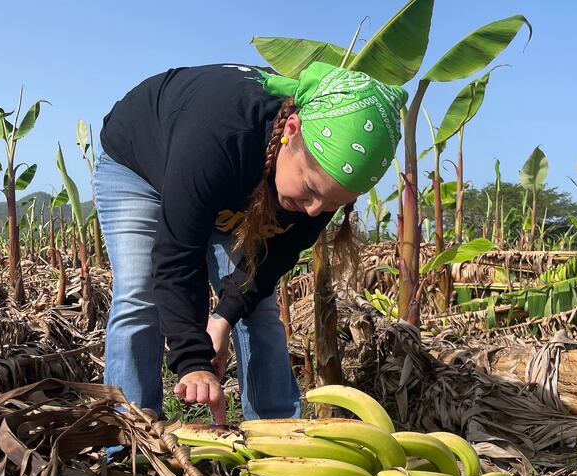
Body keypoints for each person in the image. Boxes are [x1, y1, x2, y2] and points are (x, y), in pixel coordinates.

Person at [94, 61, 407, 425]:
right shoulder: (220, 134)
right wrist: (193, 362)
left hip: (236, 184)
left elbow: (271, 262)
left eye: (334, 204)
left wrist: (222, 318)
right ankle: (129, 435)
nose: (314, 211)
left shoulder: (315, 194)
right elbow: (178, 254)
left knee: (257, 308)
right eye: (310, 190)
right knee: (139, 294)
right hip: (140, 165)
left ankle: (276, 433)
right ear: (291, 130)